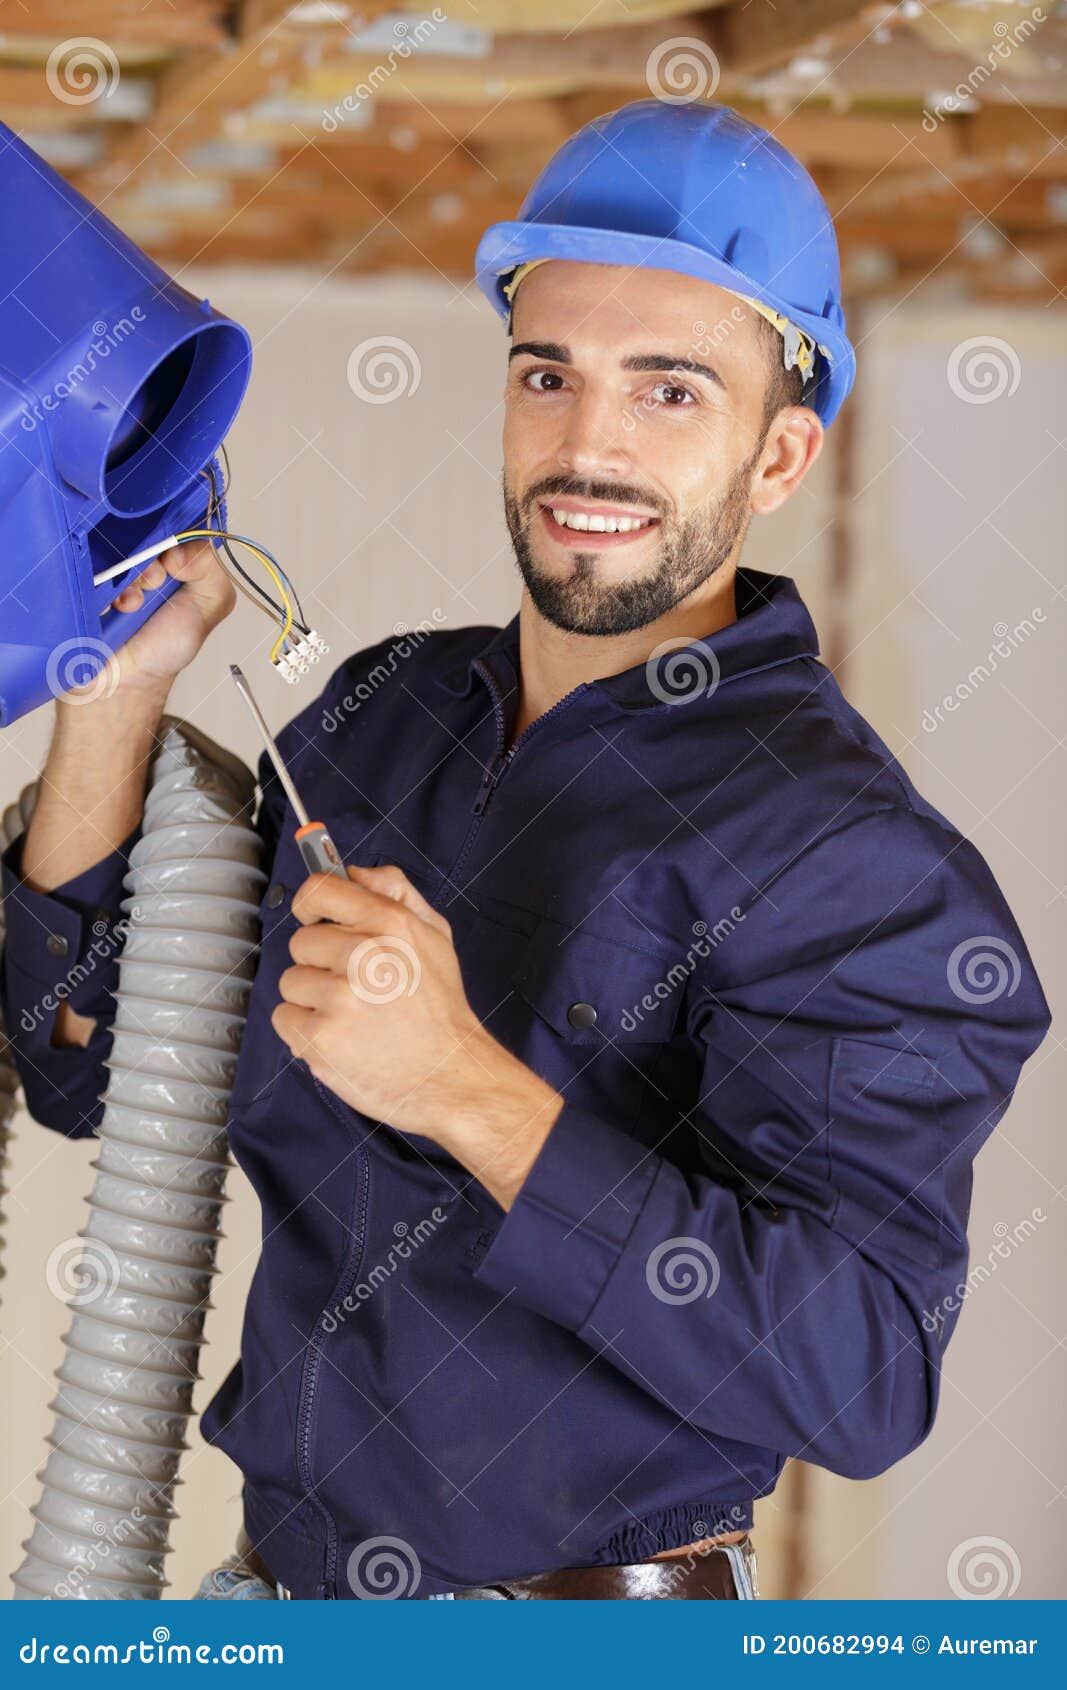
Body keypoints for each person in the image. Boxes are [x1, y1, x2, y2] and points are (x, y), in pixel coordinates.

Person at [1, 101, 1049, 1601]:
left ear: (780, 455)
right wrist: (119, 689)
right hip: (277, 1597)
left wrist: (465, 1089)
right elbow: (87, 1058)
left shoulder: (854, 864)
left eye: (670, 393)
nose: (589, 443)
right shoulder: (388, 715)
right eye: (548, 373)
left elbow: (860, 1371)